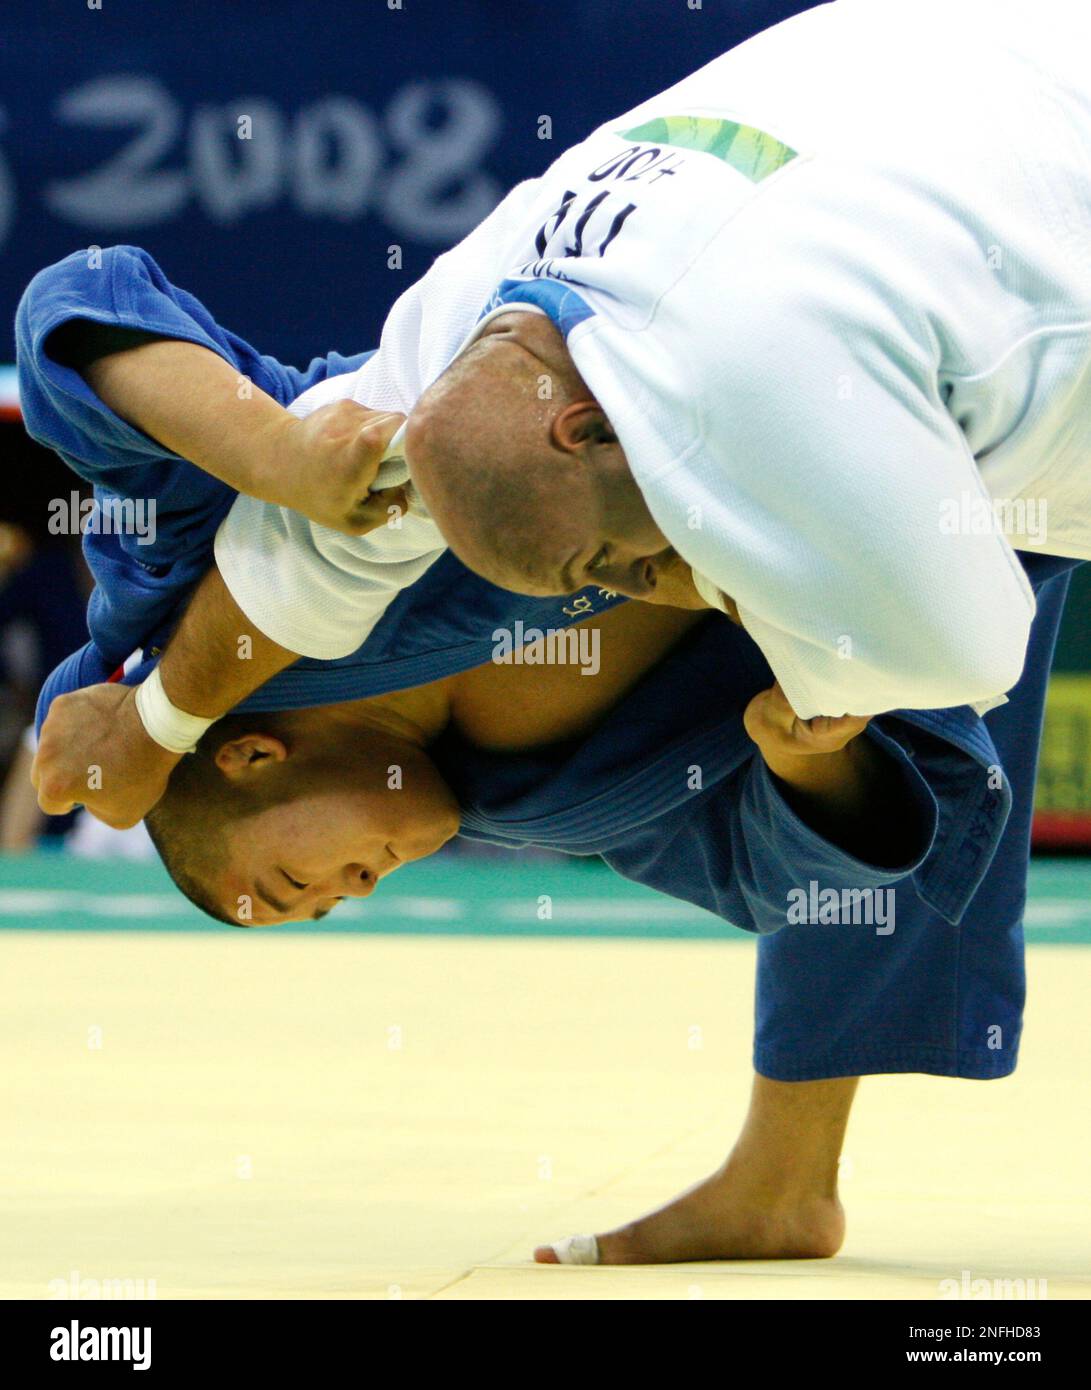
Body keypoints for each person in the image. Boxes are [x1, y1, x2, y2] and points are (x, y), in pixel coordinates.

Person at [19, 238, 1081, 1267]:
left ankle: (780, 1179)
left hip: (728, 318)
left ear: (249, 759)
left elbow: (81, 306)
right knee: (886, 851)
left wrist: (277, 455)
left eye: (297, 880)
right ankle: (785, 1178)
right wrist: (811, 767)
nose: (354, 888)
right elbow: (790, 875)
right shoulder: (546, 803)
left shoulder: (198, 577)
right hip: (960, 496)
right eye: (333, 904)